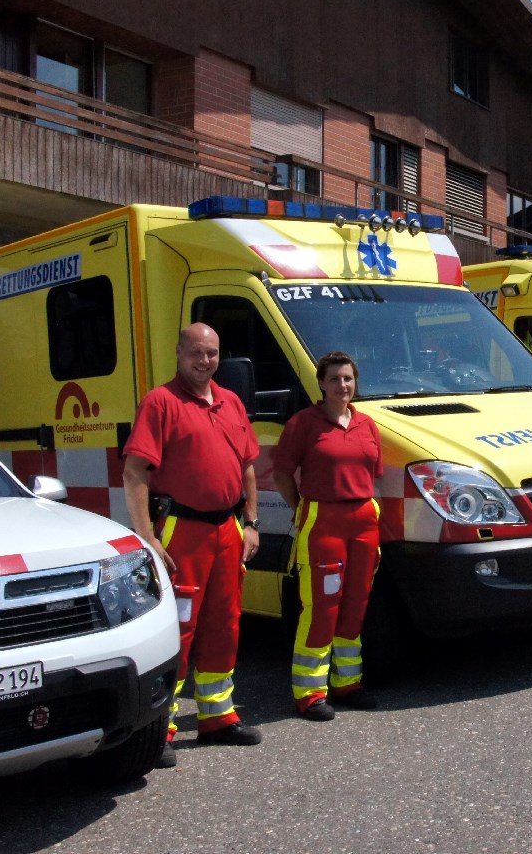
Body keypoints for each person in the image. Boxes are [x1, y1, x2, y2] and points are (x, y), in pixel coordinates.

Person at [123, 323, 263, 769]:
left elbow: (247, 468)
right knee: (178, 630)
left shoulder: (231, 402)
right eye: (197, 353)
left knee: (225, 623)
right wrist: (146, 535)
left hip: (228, 530)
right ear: (179, 352)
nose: (205, 361)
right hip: (182, 530)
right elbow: (135, 472)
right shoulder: (160, 402)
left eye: (213, 353)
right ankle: (160, 725)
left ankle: (218, 717)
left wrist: (252, 523)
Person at [273, 351, 384, 720]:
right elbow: (283, 474)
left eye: (348, 379)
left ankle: (348, 683)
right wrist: (302, 509)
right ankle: (309, 693)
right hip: (322, 519)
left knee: (355, 604)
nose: (342, 385)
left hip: (363, 518)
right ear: (320, 383)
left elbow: (374, 473)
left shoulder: (367, 425)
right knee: (322, 606)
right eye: (334, 379)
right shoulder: (305, 423)